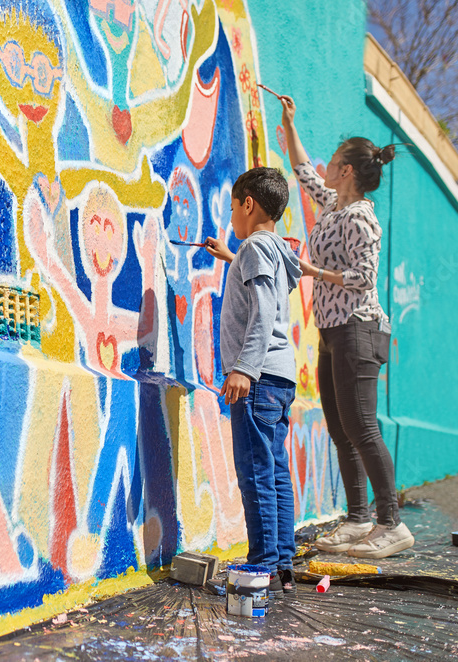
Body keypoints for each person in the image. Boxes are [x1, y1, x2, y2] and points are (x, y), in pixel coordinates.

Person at [279, 95, 414, 559]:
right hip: (333, 330)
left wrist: (316, 274)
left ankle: (390, 524)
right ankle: (359, 520)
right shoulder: (334, 205)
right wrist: (289, 123)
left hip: (358, 328)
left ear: (348, 171)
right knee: (341, 427)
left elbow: (363, 278)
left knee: (363, 426)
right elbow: (302, 171)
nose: (327, 166)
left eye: (334, 161)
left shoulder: (360, 217)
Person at [205, 167, 303, 595]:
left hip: (258, 379)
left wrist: (243, 367)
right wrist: (231, 256)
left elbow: (263, 311)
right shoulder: (274, 249)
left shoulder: (255, 248)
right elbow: (270, 294)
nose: (232, 218)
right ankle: (281, 561)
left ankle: (261, 565)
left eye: (233, 208)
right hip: (280, 379)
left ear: (249, 204)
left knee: (255, 472)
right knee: (275, 470)